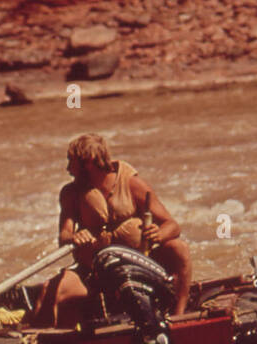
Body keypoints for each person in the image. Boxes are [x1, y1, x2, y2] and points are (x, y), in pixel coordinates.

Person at [31, 133, 192, 331]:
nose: (67, 169)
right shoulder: (70, 193)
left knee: (179, 248)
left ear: (87, 163)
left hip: (140, 266)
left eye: (70, 162)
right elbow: (63, 237)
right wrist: (74, 237)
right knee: (50, 292)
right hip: (95, 273)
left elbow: (172, 225)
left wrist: (159, 234)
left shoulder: (132, 183)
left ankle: (178, 318)